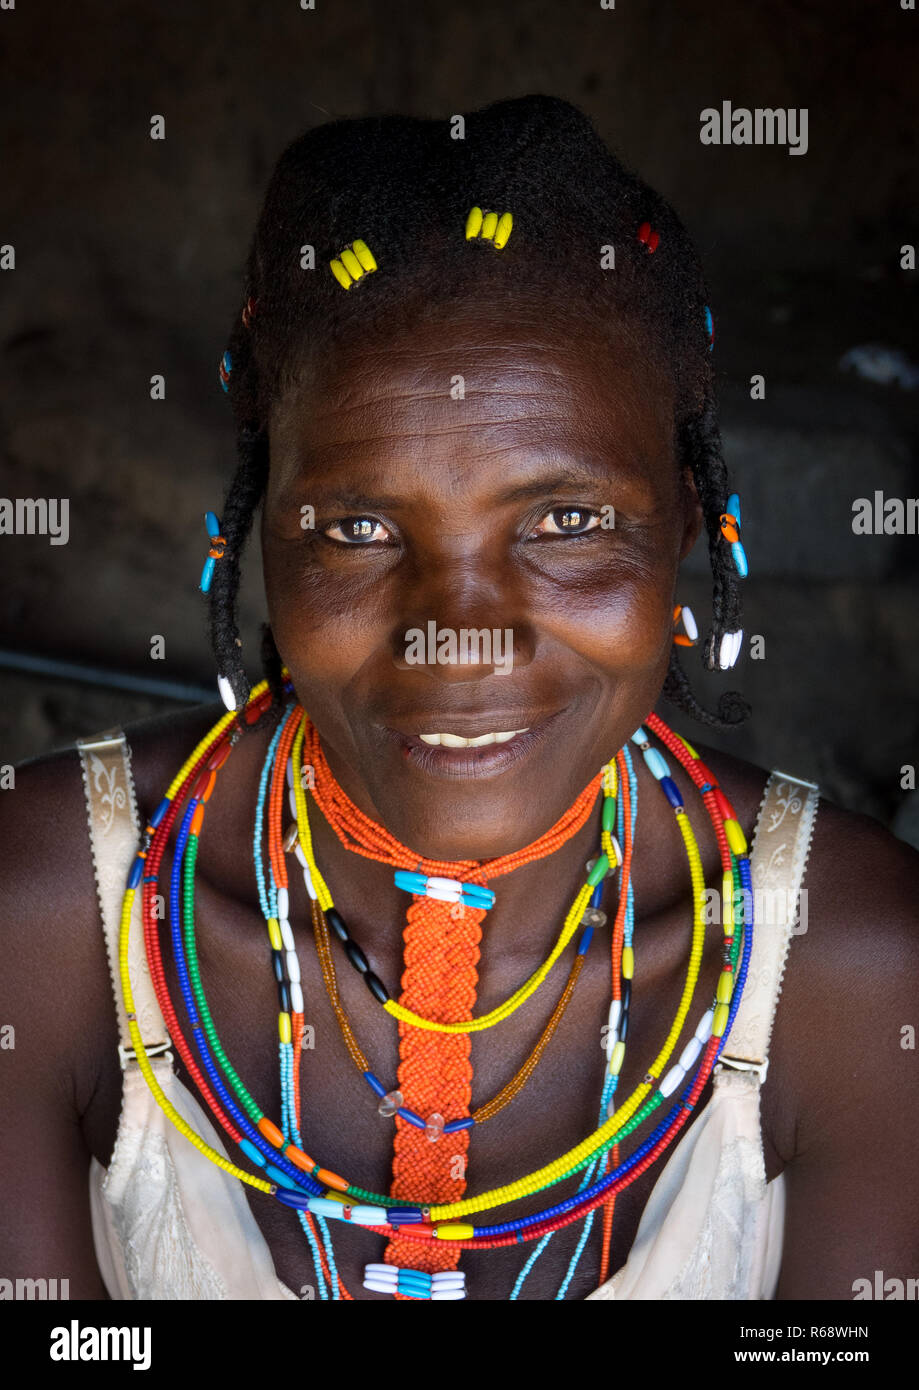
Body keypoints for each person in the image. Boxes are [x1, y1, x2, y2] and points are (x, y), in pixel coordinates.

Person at [2, 95, 917, 1303]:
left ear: (687, 524)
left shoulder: (846, 967)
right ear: (256, 531)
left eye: (567, 522)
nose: (457, 629)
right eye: (361, 526)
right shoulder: (50, 912)